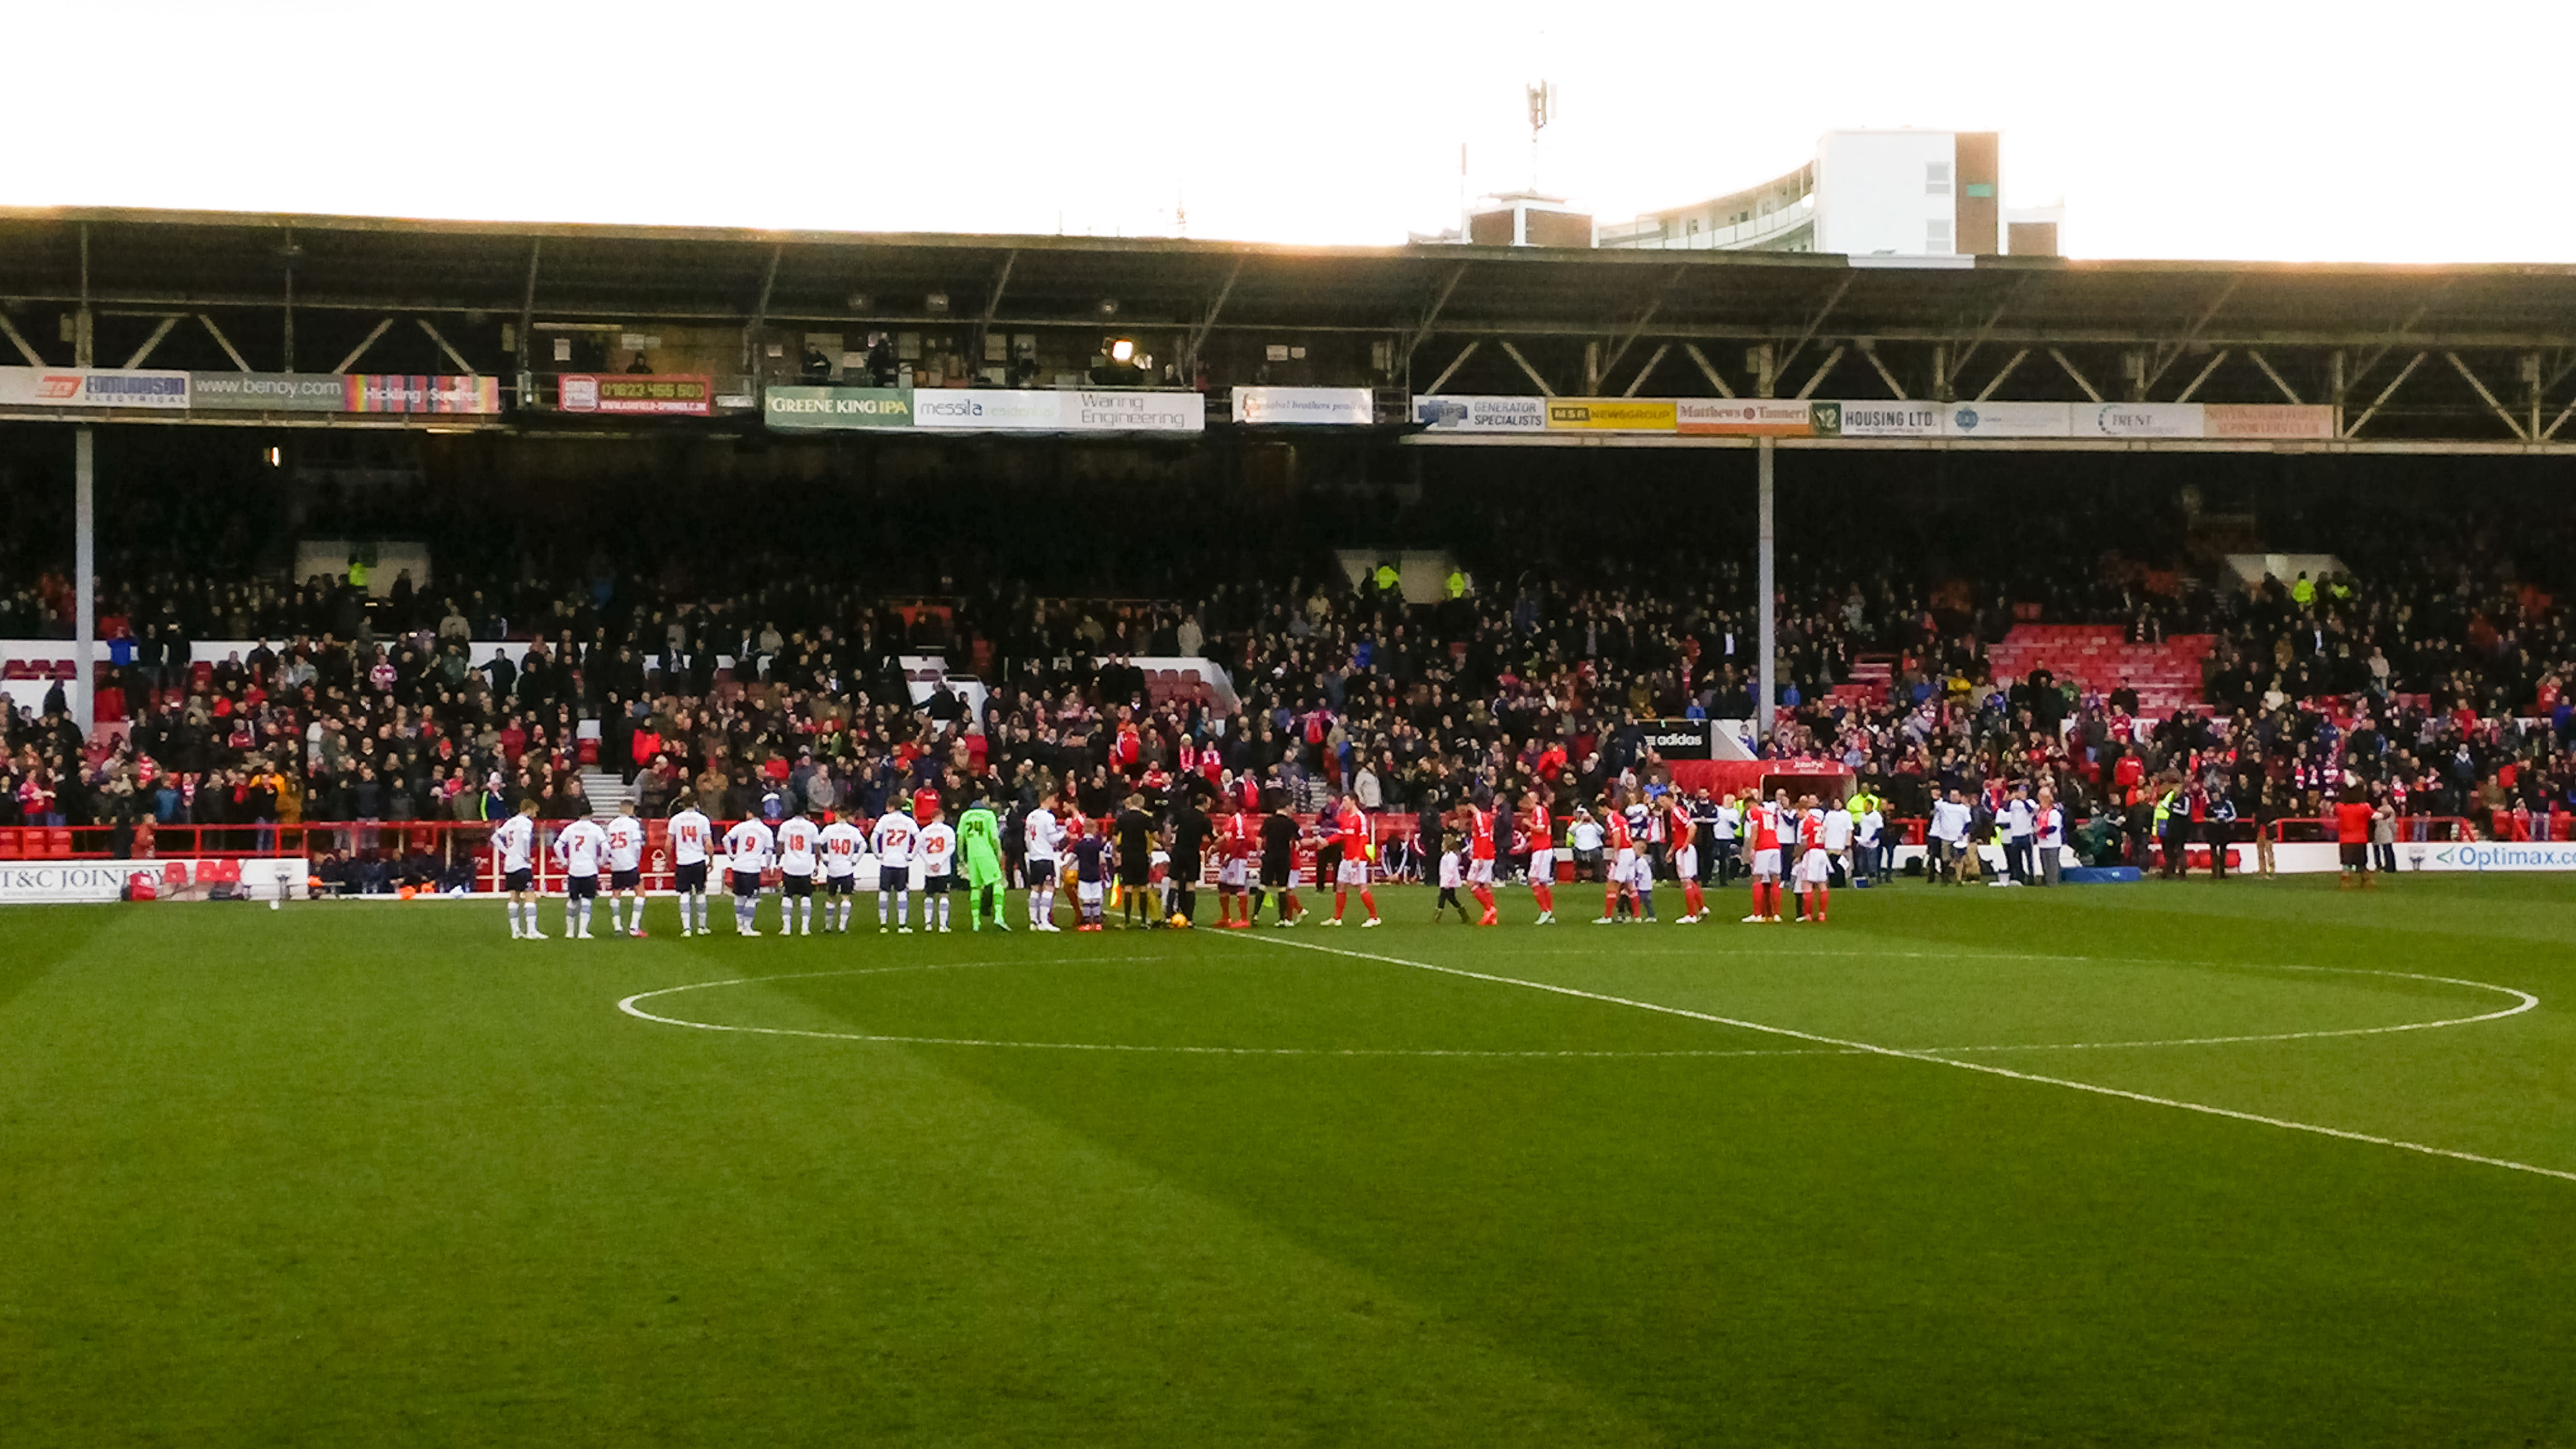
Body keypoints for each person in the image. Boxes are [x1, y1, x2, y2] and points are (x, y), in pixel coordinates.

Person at [1322, 792, 1380, 927]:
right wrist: (1327, 842)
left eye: (1346, 800)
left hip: (1357, 860)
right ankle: (1337, 918)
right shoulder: (1346, 818)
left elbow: (1364, 838)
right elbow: (1341, 834)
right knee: (1341, 886)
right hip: (1346, 858)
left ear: (1353, 801)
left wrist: (1359, 856)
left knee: (1362, 888)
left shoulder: (1360, 817)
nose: (1343, 803)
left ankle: (1374, 917)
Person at [554, 812, 610, 940]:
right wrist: (602, 861)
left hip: (574, 869)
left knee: (573, 900)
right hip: (589, 869)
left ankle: (569, 932)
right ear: (591, 815)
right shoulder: (596, 829)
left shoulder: (571, 828)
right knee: (587, 900)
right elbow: (606, 847)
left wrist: (564, 861)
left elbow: (558, 846)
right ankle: (583, 932)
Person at [495, 797, 544, 939]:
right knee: (530, 894)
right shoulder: (526, 823)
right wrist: (526, 855)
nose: (535, 815)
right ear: (529, 810)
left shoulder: (510, 822)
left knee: (514, 896)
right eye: (535, 812)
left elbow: (495, 838)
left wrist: (506, 852)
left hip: (510, 864)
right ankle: (531, 931)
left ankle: (515, 931)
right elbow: (525, 838)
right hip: (522, 864)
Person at [959, 794, 1008, 932]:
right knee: (998, 882)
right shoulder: (989, 815)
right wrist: (998, 853)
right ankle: (999, 917)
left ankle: (976, 923)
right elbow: (994, 837)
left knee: (975, 887)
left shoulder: (965, 817)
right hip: (986, 854)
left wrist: (961, 858)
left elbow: (960, 839)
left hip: (972, 855)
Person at [723, 814, 775, 936]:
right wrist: (767, 866)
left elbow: (726, 839)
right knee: (752, 898)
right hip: (752, 868)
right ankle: (748, 927)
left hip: (738, 866)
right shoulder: (766, 831)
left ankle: (740, 925)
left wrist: (731, 855)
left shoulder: (742, 826)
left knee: (739, 896)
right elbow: (769, 852)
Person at [669, 795, 714, 936]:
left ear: (683, 805)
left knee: (684, 893)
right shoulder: (703, 820)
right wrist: (711, 859)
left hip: (683, 861)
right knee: (700, 892)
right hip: (698, 860)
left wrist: (667, 860)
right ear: (696, 804)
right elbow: (709, 843)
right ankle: (702, 927)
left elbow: (668, 843)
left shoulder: (676, 820)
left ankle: (687, 928)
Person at [871, 802, 920, 932]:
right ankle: (902, 925)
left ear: (892, 807)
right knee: (902, 891)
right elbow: (919, 838)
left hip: (887, 862)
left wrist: (877, 854)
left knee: (884, 892)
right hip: (902, 862)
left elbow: (874, 837)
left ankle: (883, 925)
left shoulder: (885, 820)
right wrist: (912, 855)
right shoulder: (908, 821)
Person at [1256, 796, 1303, 926]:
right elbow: (1299, 839)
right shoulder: (1290, 823)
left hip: (1270, 856)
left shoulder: (1269, 822)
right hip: (1284, 858)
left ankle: (1255, 915)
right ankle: (1283, 919)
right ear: (1286, 808)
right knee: (1283, 888)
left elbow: (1259, 839)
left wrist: (1259, 853)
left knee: (1263, 885)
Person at [605, 801, 649, 936]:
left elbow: (607, 846)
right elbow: (637, 846)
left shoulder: (612, 825)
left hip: (617, 863)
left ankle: (618, 927)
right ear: (630, 809)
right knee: (640, 892)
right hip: (629, 862)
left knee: (616, 894)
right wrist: (636, 860)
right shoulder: (633, 824)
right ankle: (634, 927)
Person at [776, 808, 822, 936]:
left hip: (790, 866)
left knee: (787, 895)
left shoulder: (785, 825)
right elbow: (817, 848)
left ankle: (786, 928)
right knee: (806, 896)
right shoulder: (811, 826)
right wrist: (817, 863)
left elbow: (780, 846)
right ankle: (805, 928)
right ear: (805, 812)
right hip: (805, 866)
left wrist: (778, 860)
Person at [1023, 790, 1064, 931]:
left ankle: (1034, 922)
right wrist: (1065, 833)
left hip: (1034, 856)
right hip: (1045, 856)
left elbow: (1027, 838)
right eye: (1054, 798)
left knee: (1035, 889)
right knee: (1048, 888)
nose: (1055, 801)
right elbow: (1053, 839)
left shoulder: (1031, 816)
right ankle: (1045, 922)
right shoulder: (1048, 818)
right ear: (1047, 799)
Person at [1113, 794, 1155, 929]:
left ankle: (1127, 921)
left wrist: (1116, 852)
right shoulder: (1146, 819)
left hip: (1127, 855)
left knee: (1128, 886)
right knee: (1143, 886)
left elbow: (1115, 836)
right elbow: (1154, 835)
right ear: (1141, 803)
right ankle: (1143, 921)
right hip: (1141, 855)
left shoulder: (1123, 818)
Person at [1742, 790, 1786, 922]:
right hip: (1775, 847)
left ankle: (1757, 914)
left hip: (1763, 847)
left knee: (1757, 879)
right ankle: (1777, 914)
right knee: (1775, 880)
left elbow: (1755, 830)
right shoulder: (1768, 813)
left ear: (1748, 805)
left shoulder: (1753, 812)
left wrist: (1752, 849)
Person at [1168, 792, 1210, 927]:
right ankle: (1189, 918)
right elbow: (1214, 837)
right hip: (1193, 853)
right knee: (1191, 885)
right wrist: (1224, 839)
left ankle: (1170, 916)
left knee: (1174, 882)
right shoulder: (1204, 820)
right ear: (1205, 804)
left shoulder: (1183, 813)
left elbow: (1169, 826)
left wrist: (1168, 843)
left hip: (1179, 851)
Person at [819, 810, 865, 932]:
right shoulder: (853, 831)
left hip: (832, 868)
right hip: (847, 868)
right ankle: (842, 927)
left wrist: (824, 859)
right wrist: (856, 859)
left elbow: (817, 844)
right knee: (846, 897)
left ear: (838, 816)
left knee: (831, 897)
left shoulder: (829, 830)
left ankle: (828, 927)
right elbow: (863, 845)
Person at [1792, 793, 1832, 924]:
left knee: (1807, 884)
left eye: (1798, 812)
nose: (1797, 815)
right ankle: (1822, 914)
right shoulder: (1818, 821)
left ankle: (1808, 914)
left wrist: (1798, 856)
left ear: (1803, 811)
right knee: (1822, 884)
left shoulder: (1806, 822)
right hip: (1822, 852)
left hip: (1812, 852)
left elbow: (1804, 843)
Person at [1215, 804, 1255, 928]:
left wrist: (1231, 857)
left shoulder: (1238, 819)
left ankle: (1244, 919)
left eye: (1227, 803)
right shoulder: (1229, 820)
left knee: (1239, 886)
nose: (1223, 805)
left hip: (1237, 858)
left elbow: (1240, 840)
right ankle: (1226, 917)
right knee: (1223, 886)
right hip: (1228, 858)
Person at [1520, 792, 1557, 924]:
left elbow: (1541, 829)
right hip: (1543, 849)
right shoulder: (1538, 812)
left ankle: (1545, 911)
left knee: (1533, 878)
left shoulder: (1540, 811)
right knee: (1543, 882)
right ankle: (1549, 914)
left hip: (1542, 850)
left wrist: (1529, 824)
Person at [919, 807, 957, 932]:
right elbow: (951, 848)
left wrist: (929, 862)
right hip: (943, 868)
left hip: (929, 869)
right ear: (941, 816)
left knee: (929, 895)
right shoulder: (948, 830)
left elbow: (920, 849)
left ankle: (928, 924)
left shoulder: (925, 831)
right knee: (944, 895)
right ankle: (942, 925)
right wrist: (940, 862)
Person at [2334, 789, 2378, 890]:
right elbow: (2374, 815)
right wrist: (2384, 815)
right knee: (2361, 863)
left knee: (2346, 863)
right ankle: (2366, 881)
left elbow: (2335, 811)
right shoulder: (2364, 807)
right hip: (2360, 839)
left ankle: (2345, 883)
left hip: (2345, 840)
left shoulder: (2341, 807)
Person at [1070, 818, 1109, 931]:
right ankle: (1097, 923)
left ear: (1083, 830)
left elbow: (1073, 858)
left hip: (1083, 876)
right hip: (1096, 876)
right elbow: (1102, 860)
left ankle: (1087, 923)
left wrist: (1066, 867)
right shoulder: (1098, 845)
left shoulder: (1079, 845)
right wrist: (1104, 872)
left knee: (1086, 900)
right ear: (1095, 830)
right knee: (1096, 899)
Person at [1433, 829, 1470, 922]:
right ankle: (1463, 914)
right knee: (1452, 899)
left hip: (1448, 882)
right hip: (1446, 881)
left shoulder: (1452, 857)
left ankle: (1438, 913)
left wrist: (1448, 882)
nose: (1442, 845)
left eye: (1443, 844)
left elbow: (1451, 870)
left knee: (1443, 897)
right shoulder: (1446, 856)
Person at [2034, 790, 2066, 887]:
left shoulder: (2054, 813)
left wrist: (2041, 830)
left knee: (2053, 864)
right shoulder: (2041, 813)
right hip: (2043, 842)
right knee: (2045, 863)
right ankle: (2048, 880)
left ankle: (2054, 881)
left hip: (2053, 842)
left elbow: (2053, 828)